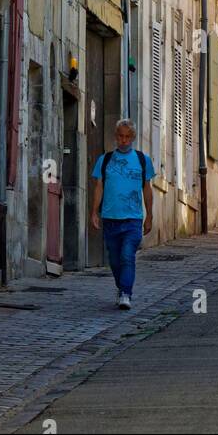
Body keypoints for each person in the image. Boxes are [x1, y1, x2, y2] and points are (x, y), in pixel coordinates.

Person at [91, 120, 154, 309]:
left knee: (127, 256)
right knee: (114, 259)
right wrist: (94, 212)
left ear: (133, 138)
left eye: (127, 137)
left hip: (133, 219)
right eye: (120, 136)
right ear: (115, 136)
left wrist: (149, 215)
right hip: (110, 218)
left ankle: (126, 293)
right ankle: (121, 287)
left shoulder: (143, 160)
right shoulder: (105, 160)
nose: (124, 140)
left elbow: (147, 189)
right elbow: (99, 187)